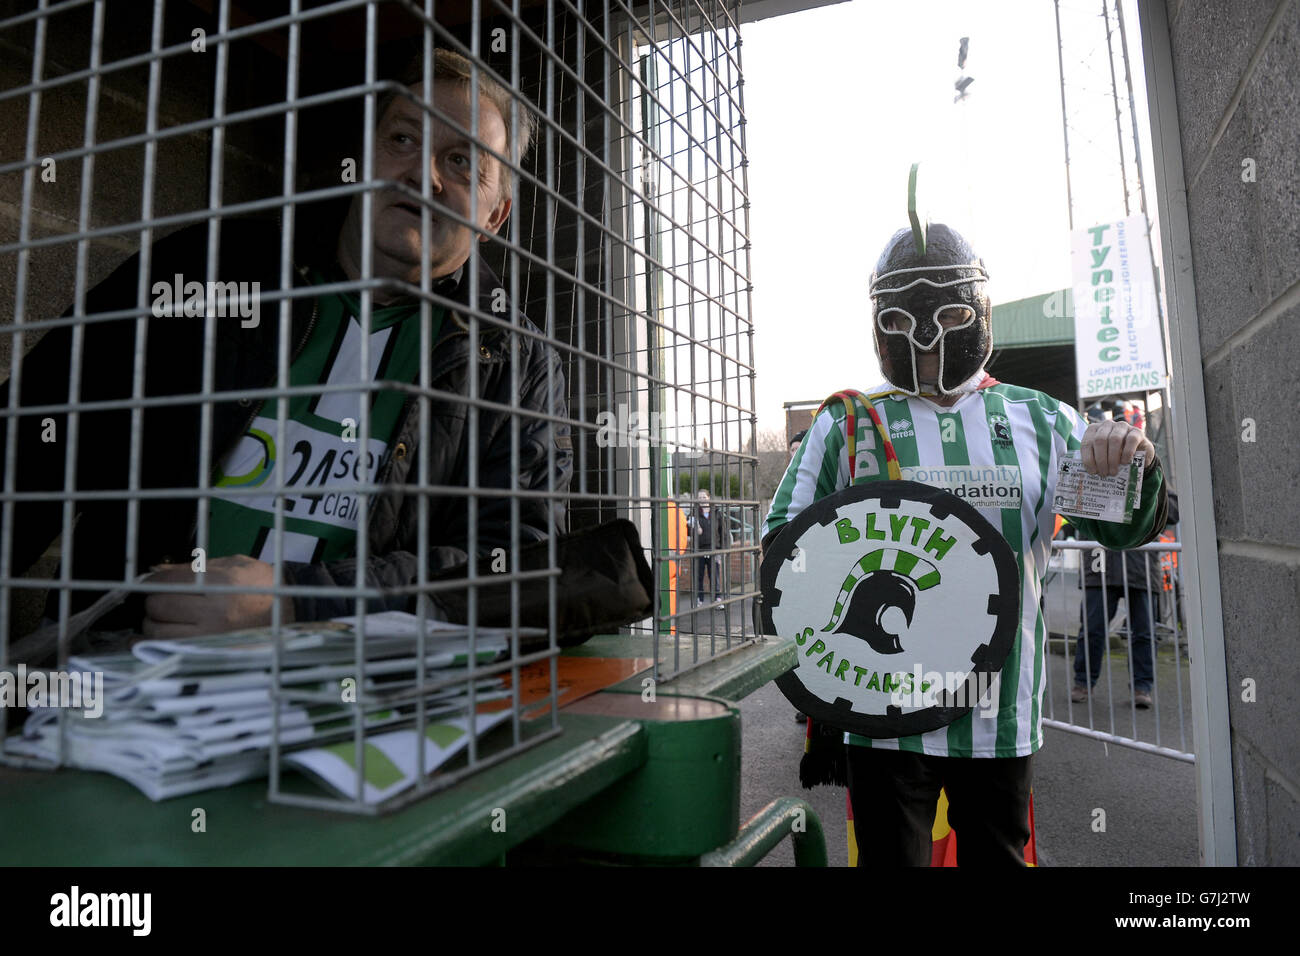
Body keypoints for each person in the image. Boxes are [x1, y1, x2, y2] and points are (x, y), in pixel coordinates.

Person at [1, 49, 572, 646]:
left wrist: (297, 599)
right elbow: (34, 436)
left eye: (461, 161)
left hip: (355, 691)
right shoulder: (211, 267)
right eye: (403, 138)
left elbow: (515, 564)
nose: (422, 174)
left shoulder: (518, 367)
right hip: (124, 665)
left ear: (496, 215)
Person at [762, 222, 1168, 867]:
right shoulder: (846, 425)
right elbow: (783, 544)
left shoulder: (1048, 420)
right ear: (878, 326)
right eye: (900, 322)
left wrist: (1130, 464)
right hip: (882, 712)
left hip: (1000, 712)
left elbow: (1120, 530)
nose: (926, 340)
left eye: (948, 315)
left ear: (976, 313)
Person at [1072, 493, 1180, 708]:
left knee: (1144, 631)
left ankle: (1142, 687)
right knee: (1092, 629)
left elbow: (1173, 513)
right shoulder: (1088, 465)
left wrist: (1142, 486)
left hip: (1140, 564)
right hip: (1099, 561)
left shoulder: (1149, 466)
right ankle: (1083, 682)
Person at [689, 489, 733, 604]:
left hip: (714, 549)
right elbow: (687, 530)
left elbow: (723, 532)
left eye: (704, 497)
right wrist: (694, 530)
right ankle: (699, 599)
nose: (702, 500)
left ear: (709, 498)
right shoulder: (694, 513)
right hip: (698, 549)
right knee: (698, 576)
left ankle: (717, 599)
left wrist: (722, 550)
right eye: (700, 498)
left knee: (715, 576)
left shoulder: (716, 512)